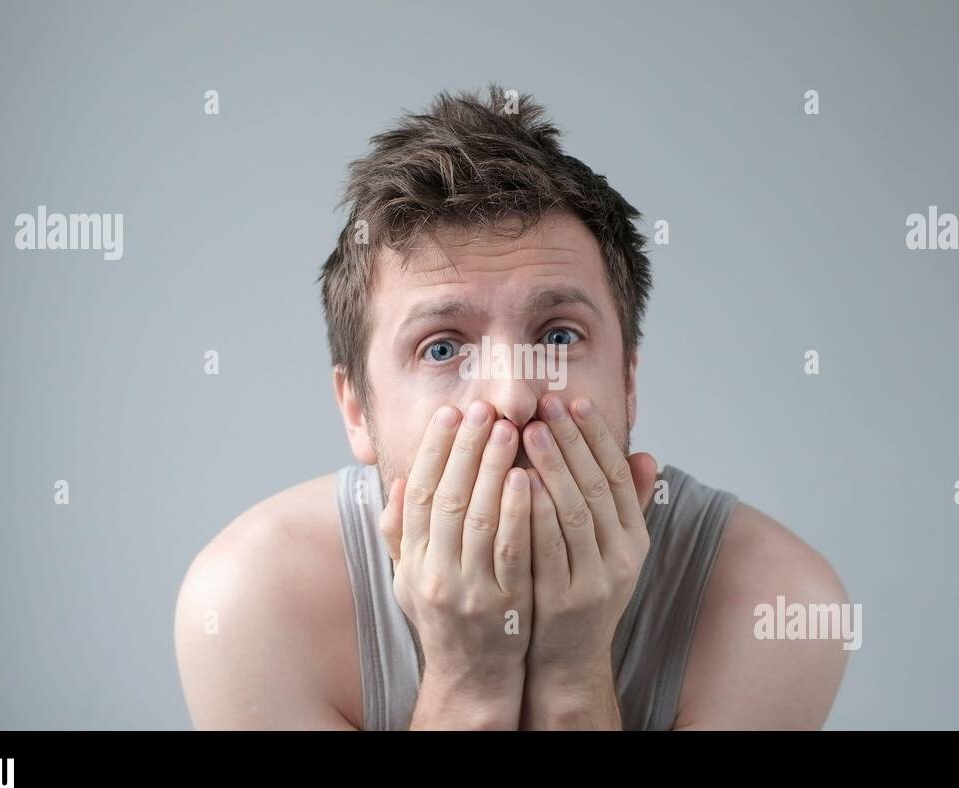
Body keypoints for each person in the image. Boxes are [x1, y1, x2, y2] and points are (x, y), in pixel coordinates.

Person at [174, 85, 849, 730]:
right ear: (358, 410)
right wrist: (469, 680)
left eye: (558, 336)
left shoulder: (781, 603)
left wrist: (574, 676)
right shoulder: (251, 604)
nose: (513, 394)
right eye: (442, 349)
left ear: (629, 382)